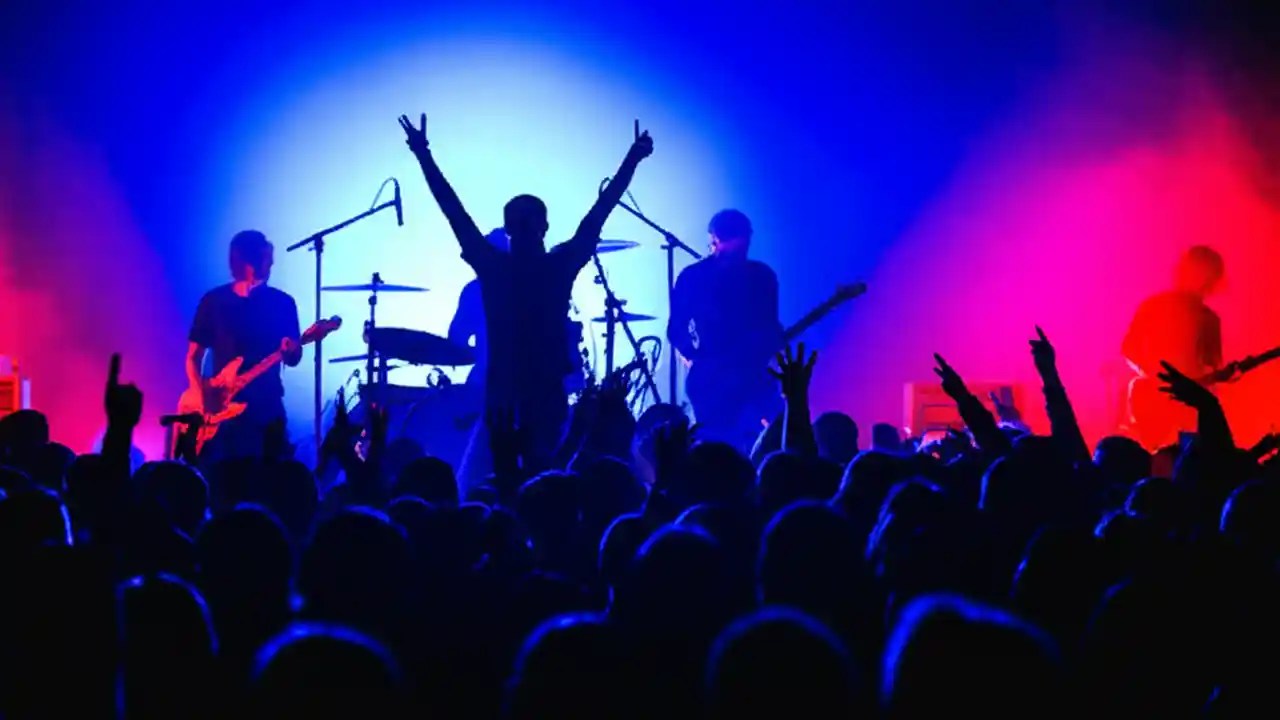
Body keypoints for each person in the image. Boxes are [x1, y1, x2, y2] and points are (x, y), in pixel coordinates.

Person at [399, 113, 653, 472]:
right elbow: (600, 211)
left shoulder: (493, 267)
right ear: (545, 226)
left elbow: (452, 210)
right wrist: (633, 158)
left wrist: (423, 155)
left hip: (501, 397)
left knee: (481, 484)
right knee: (547, 477)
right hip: (546, 396)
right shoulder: (558, 266)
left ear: (505, 229)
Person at [668, 210, 783, 449]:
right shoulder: (694, 277)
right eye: (733, 241)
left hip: (754, 376)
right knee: (718, 448)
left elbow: (771, 326)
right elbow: (676, 329)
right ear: (715, 239)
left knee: (764, 442)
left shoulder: (762, 276)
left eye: (744, 241)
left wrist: (770, 349)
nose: (741, 249)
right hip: (712, 380)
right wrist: (700, 360)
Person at [186, 231, 302, 461]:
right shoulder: (214, 301)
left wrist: (292, 350)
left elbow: (294, 357)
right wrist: (200, 395)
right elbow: (193, 357)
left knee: (270, 483)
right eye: (266, 257)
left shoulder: (283, 303)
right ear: (248, 261)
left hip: (267, 408)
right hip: (222, 416)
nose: (272, 263)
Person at [1122, 246, 1224, 449]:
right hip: (1152, 402)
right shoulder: (1153, 306)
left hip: (1186, 408)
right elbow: (1129, 349)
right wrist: (1153, 378)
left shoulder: (1209, 320)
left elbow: (1213, 368)